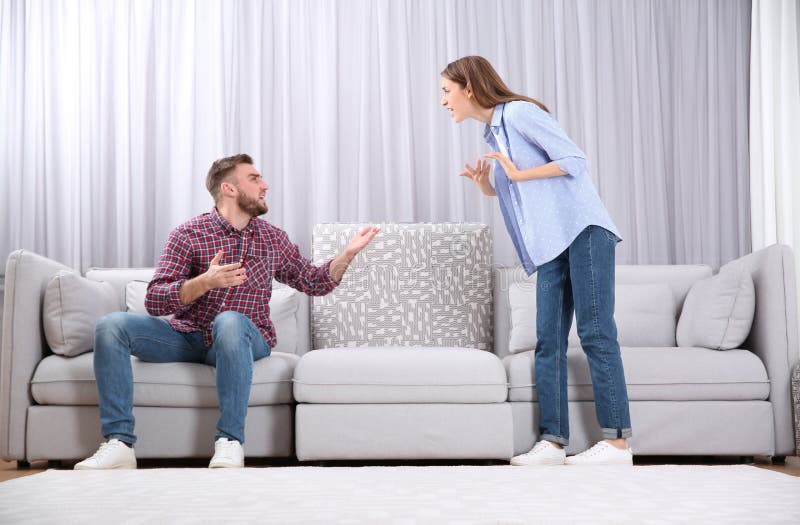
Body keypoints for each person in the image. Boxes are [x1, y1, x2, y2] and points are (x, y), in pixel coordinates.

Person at [75, 153, 379, 469]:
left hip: (246, 338)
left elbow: (313, 281)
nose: (265, 185)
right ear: (229, 189)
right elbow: (155, 300)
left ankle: (230, 441)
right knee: (110, 326)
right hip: (189, 336)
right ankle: (119, 443)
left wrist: (347, 254)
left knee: (230, 321)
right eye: (254, 178)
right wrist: (204, 282)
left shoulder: (272, 239)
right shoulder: (188, 233)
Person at [441, 56, 633, 466]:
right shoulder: (494, 135)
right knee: (547, 341)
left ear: (469, 88)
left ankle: (618, 443)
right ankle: (553, 442)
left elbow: (574, 162)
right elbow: (523, 197)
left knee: (596, 332)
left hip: (583, 230)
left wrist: (517, 174)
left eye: (446, 91)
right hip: (550, 246)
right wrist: (488, 187)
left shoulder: (520, 114)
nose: (444, 101)